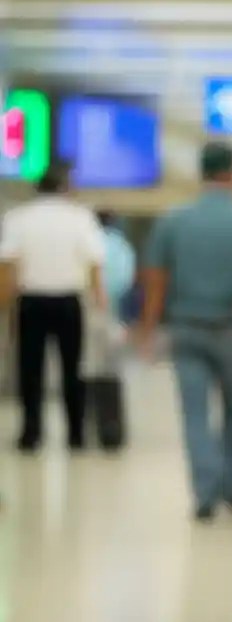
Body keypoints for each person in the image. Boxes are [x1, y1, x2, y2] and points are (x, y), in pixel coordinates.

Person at [138, 143, 232, 522]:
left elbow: (156, 278)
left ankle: (204, 493)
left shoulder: (175, 220)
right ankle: (230, 491)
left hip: (187, 327)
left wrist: (148, 327)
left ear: (201, 173)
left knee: (195, 413)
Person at [0, 163, 106, 452]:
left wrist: (4, 304)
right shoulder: (80, 217)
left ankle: (30, 433)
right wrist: (100, 302)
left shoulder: (17, 218)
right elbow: (95, 263)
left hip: (30, 302)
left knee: (29, 369)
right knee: (73, 368)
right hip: (68, 301)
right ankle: (76, 434)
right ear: (64, 187)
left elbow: (8, 264)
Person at [97, 211, 137, 319]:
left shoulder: (91, 238)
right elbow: (128, 271)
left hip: (91, 294)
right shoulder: (120, 242)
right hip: (116, 294)